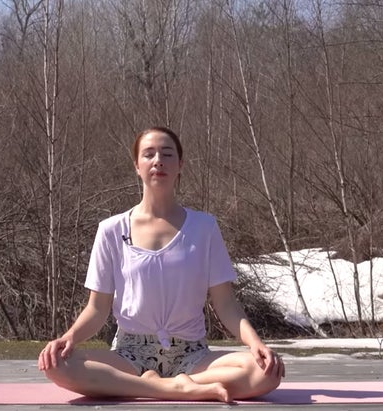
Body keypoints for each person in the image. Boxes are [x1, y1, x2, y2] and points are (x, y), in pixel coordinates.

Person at [38, 126, 284, 402]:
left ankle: (156, 386)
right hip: (130, 354)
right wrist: (69, 337)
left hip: (193, 356)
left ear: (180, 165)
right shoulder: (111, 230)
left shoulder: (204, 228)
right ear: (137, 166)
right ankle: (179, 389)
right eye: (149, 154)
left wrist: (255, 343)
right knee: (57, 366)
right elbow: (97, 308)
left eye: (167, 154)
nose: (158, 161)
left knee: (267, 373)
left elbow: (225, 303)